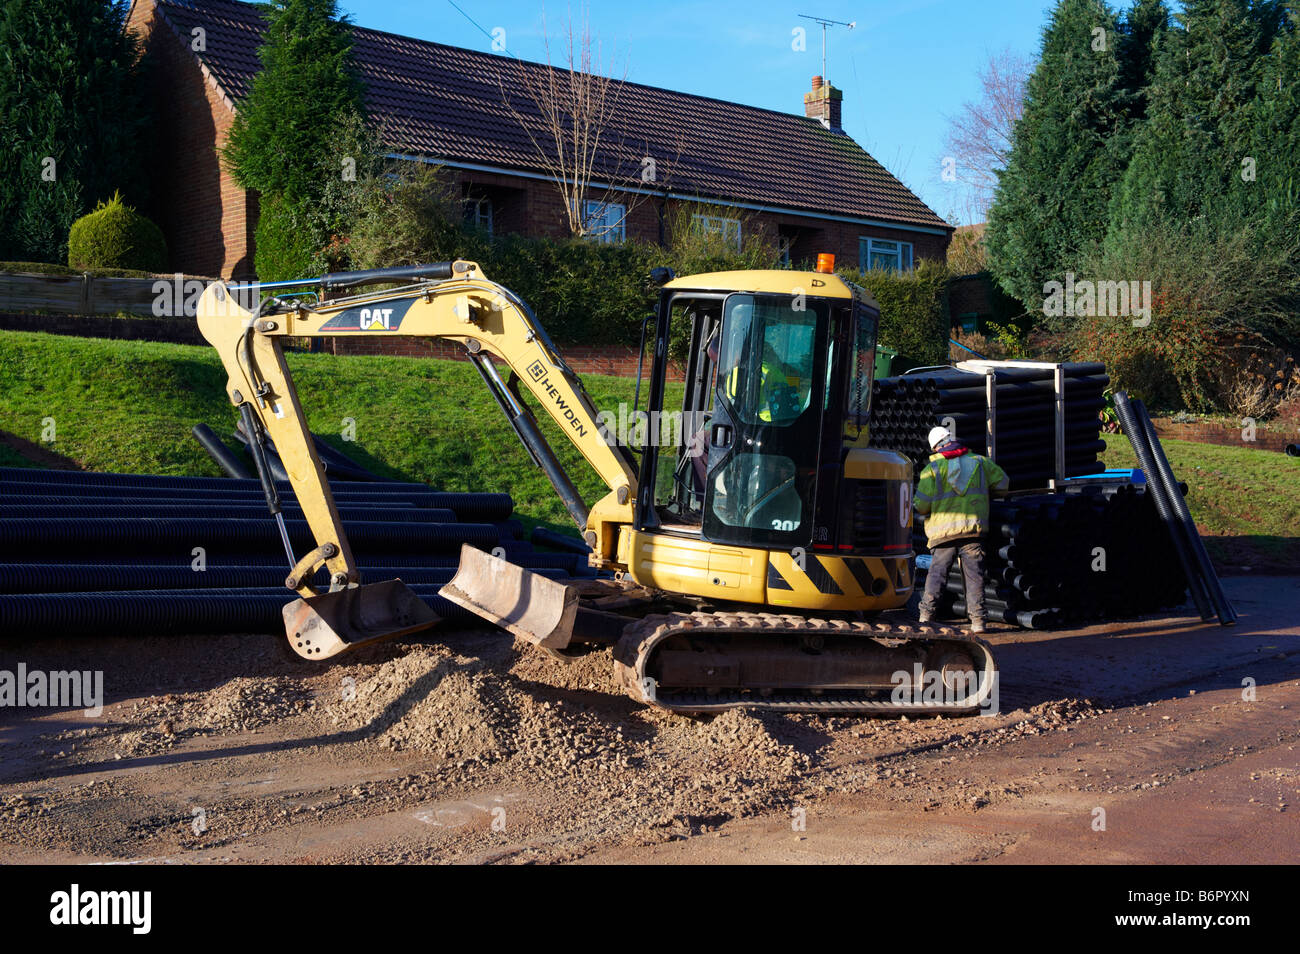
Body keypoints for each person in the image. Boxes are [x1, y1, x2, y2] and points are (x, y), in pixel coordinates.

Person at [914, 425, 1008, 634]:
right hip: (973, 531)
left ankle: (926, 618)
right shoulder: (980, 463)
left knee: (937, 574)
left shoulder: (933, 470)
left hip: (943, 534)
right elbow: (1003, 484)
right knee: (975, 576)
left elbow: (921, 505)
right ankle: (978, 622)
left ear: (935, 447)